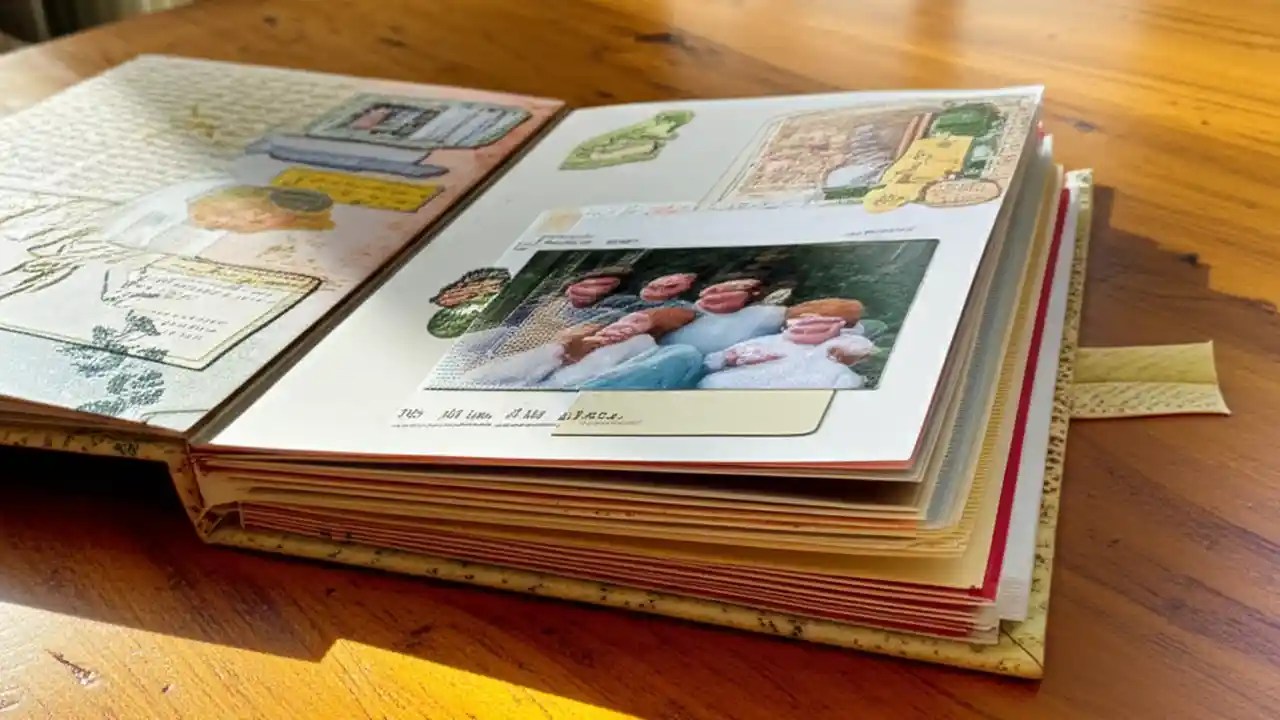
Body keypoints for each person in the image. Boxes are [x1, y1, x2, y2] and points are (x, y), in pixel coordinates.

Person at [0, 177, 336, 302]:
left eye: (256, 226)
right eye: (254, 216)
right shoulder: (165, 201)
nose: (228, 225)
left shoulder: (190, 232)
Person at [454, 307, 696, 389]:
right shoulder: (586, 329)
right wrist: (566, 348)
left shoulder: (641, 346)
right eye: (632, 320)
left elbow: (568, 382)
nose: (628, 328)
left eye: (641, 325)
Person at [698, 298, 877, 390]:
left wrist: (840, 354)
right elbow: (711, 361)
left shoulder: (845, 340)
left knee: (841, 378)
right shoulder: (774, 340)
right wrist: (729, 358)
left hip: (807, 382)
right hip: (751, 381)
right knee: (713, 382)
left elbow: (865, 351)